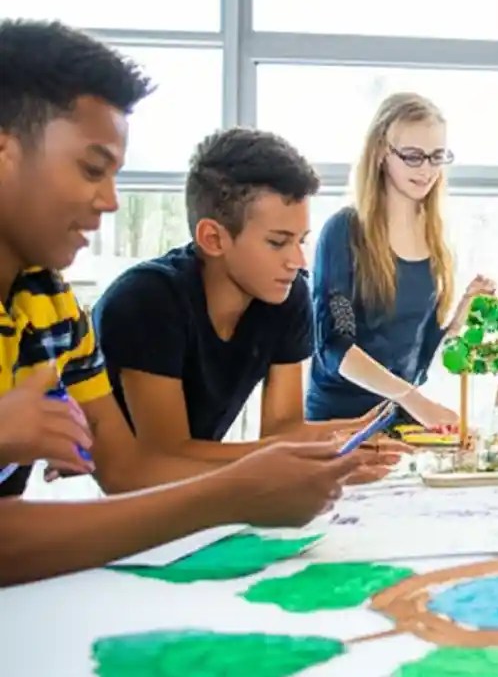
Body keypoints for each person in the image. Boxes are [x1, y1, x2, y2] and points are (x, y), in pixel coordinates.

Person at [0, 19, 374, 585]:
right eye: (91, 169)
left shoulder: (50, 305)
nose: (110, 202)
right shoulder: (146, 299)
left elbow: (125, 469)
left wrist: (267, 471)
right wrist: (237, 487)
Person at [93, 128, 379, 465]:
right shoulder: (145, 302)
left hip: (187, 488)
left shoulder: (286, 295)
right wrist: (307, 455)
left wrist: (358, 434)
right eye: (277, 242)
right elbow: (165, 457)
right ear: (213, 238)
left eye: (300, 240)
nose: (298, 261)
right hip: (96, 494)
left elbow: (282, 431)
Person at [307, 93, 492, 425]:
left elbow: (418, 359)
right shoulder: (344, 231)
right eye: (412, 156)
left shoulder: (436, 238)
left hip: (400, 418)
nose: (426, 170)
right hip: (339, 424)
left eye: (436, 157)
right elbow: (335, 347)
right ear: (381, 152)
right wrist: (411, 398)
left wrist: (462, 314)